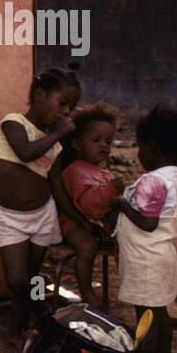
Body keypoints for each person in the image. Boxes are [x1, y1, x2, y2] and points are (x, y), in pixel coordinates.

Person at [0, 67, 90, 344]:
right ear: (39, 95)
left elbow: (57, 188)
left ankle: (17, 328)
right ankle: (39, 313)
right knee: (17, 281)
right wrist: (58, 133)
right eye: (62, 103)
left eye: (71, 107)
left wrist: (82, 221)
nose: (66, 112)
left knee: (31, 276)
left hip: (42, 216)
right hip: (10, 219)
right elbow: (25, 153)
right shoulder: (13, 124)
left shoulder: (55, 148)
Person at [109, 105, 177, 353]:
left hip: (145, 261)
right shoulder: (175, 177)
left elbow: (147, 223)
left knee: (146, 321)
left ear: (153, 147)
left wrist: (121, 204)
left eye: (140, 146)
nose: (139, 153)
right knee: (160, 316)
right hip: (160, 258)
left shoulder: (153, 181)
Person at [59, 101, 125, 308]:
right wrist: (112, 190)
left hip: (98, 223)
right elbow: (89, 205)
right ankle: (86, 292)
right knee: (87, 246)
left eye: (108, 141)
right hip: (74, 223)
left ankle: (130, 284)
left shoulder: (102, 171)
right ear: (77, 144)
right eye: (96, 140)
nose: (104, 145)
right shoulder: (76, 170)